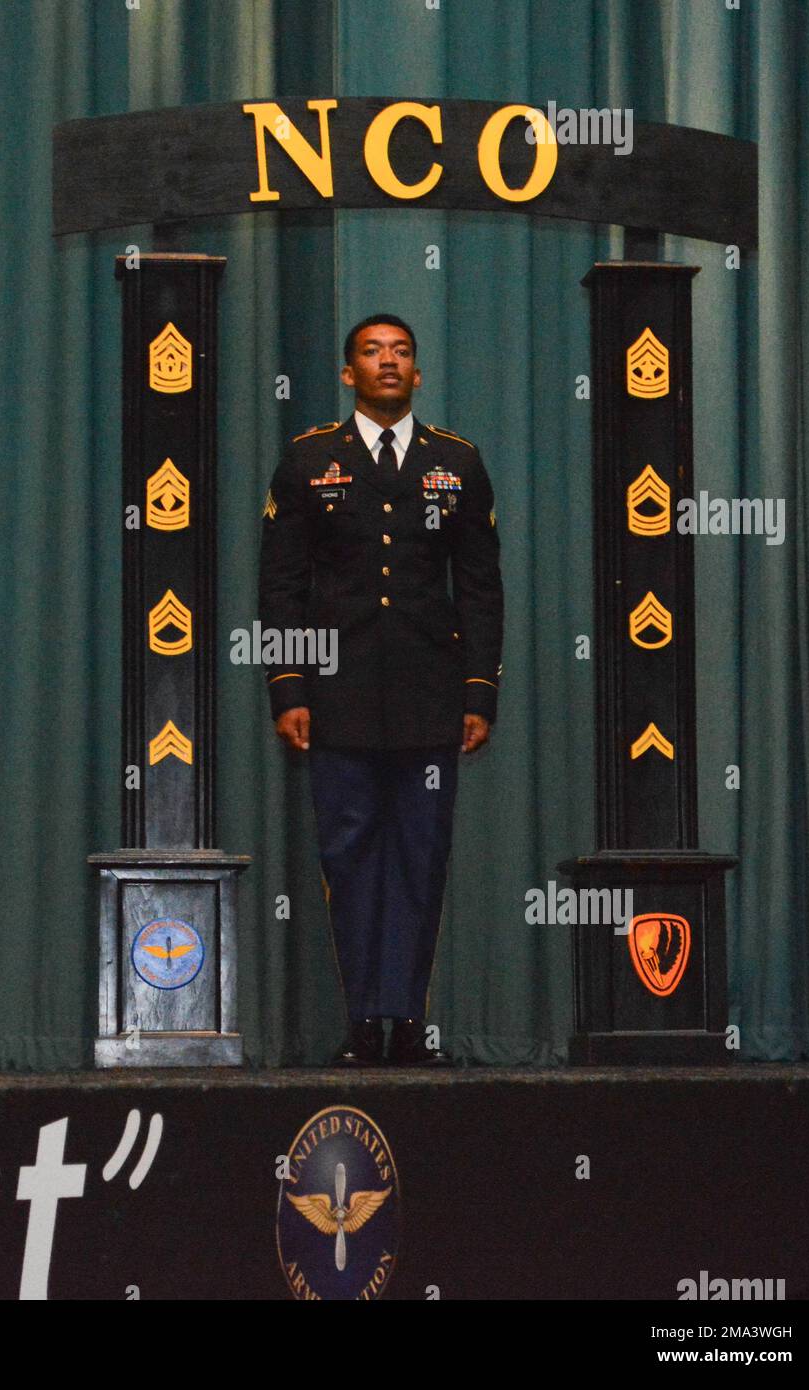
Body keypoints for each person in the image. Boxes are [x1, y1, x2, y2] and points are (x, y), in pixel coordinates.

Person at [258, 314, 504, 1066]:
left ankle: (408, 1021)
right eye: (371, 352)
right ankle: (364, 1022)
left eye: (400, 352)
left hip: (432, 699)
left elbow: (483, 587)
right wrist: (288, 686)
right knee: (350, 858)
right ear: (347, 374)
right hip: (337, 700)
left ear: (418, 373)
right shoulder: (309, 460)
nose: (387, 363)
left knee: (420, 861)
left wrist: (478, 692)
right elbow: (282, 583)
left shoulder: (456, 462)